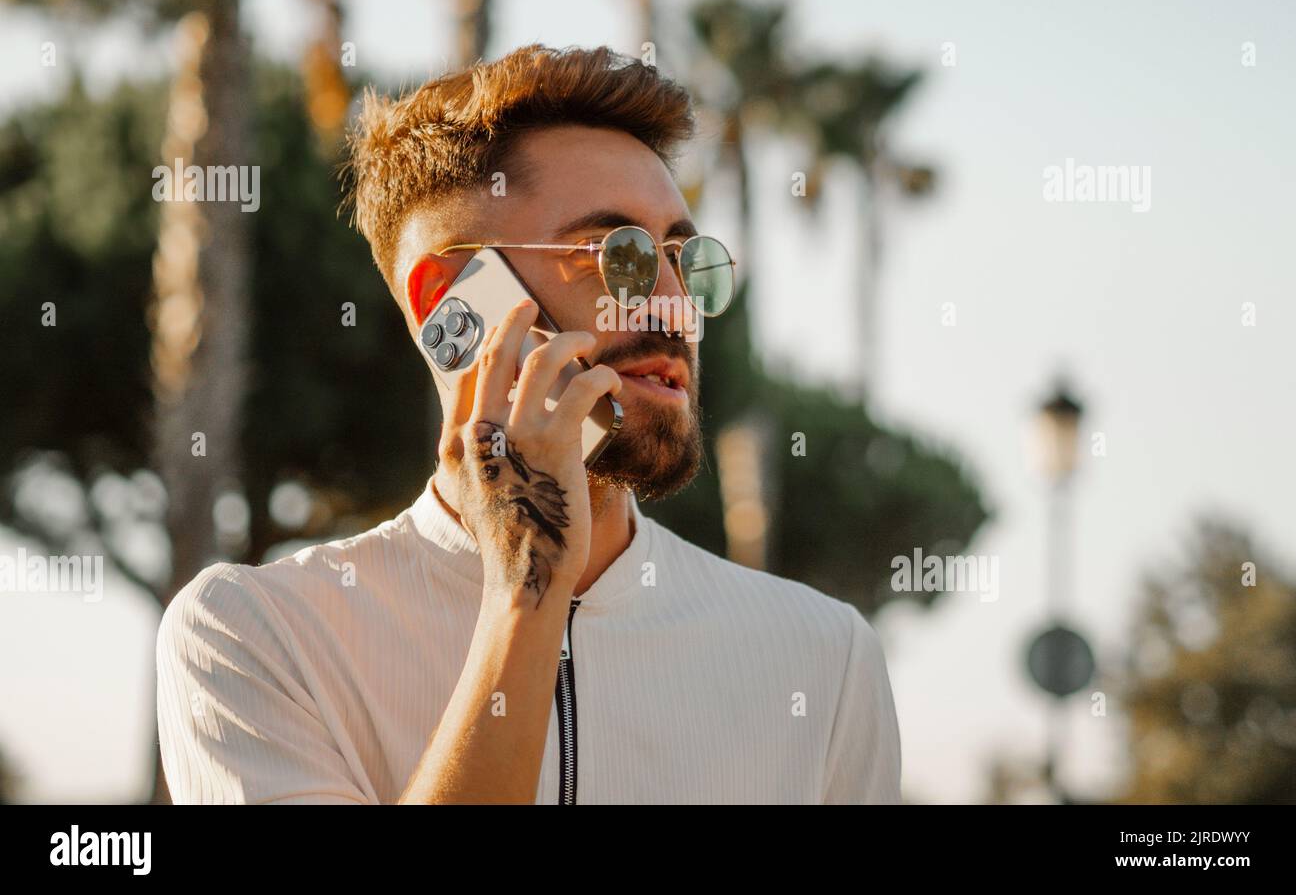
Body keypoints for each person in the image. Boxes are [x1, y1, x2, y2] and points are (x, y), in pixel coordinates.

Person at [155, 44, 902, 804]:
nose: (675, 302)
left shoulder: (824, 660)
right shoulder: (253, 638)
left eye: (683, 256)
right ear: (453, 300)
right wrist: (526, 588)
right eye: (618, 254)